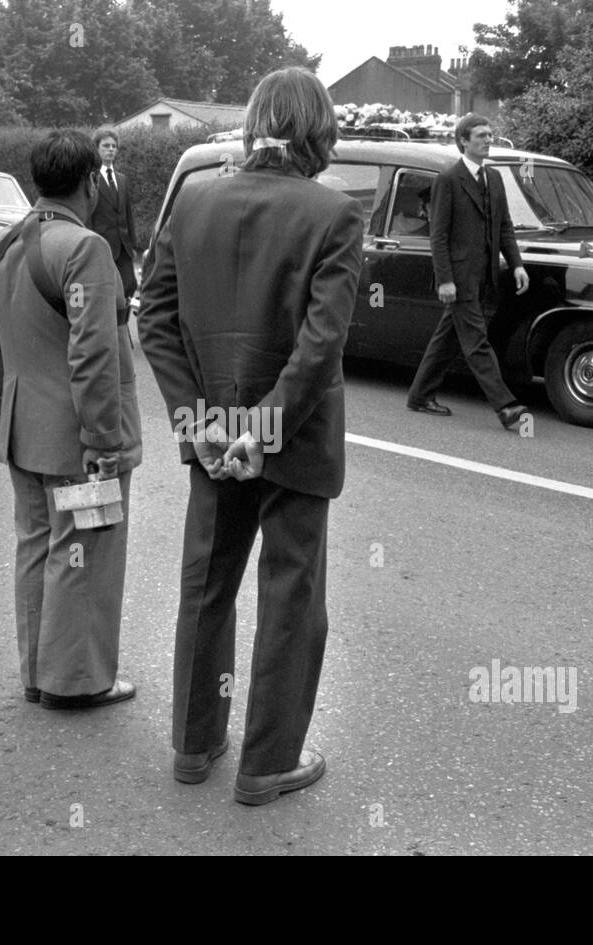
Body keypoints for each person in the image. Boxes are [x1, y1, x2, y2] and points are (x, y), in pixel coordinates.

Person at [138, 67, 363, 805]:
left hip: (212, 433)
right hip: (291, 440)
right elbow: (319, 344)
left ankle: (194, 744)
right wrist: (263, 430)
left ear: (256, 121)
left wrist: (197, 421)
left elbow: (155, 320)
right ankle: (267, 762)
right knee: (291, 597)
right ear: (318, 131)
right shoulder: (333, 215)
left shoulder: (193, 202)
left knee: (206, 585)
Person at [0, 129, 142, 711]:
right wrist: (101, 439)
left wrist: (12, 414)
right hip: (82, 442)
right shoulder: (84, 249)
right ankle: (78, 681)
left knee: (38, 548)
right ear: (91, 182)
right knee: (84, 554)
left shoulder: (0, 246)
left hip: (24, 433)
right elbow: (93, 353)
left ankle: (37, 675)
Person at [404, 113, 530, 430]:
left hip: (482, 275)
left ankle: (419, 395)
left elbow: (504, 228)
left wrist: (516, 264)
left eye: (490, 135)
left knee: (447, 338)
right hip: (458, 278)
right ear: (463, 140)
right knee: (476, 342)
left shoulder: (495, 179)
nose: (488, 140)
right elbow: (439, 235)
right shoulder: (448, 179)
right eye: (481, 136)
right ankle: (506, 407)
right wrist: (445, 279)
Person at [87, 128, 139, 302]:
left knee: (129, 287)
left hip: (123, 247)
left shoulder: (122, 179)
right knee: (106, 293)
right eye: (106, 145)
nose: (111, 149)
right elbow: (88, 215)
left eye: (114, 146)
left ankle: (122, 326)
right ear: (97, 148)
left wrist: (132, 244)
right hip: (102, 245)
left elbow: (127, 213)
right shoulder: (90, 179)